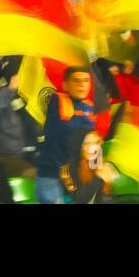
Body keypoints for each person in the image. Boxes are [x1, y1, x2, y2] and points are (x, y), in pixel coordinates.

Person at [34, 65, 97, 204]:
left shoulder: (90, 107)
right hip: (52, 177)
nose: (82, 84)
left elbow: (91, 144)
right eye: (76, 80)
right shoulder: (58, 101)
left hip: (76, 178)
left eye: (86, 80)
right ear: (65, 85)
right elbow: (76, 135)